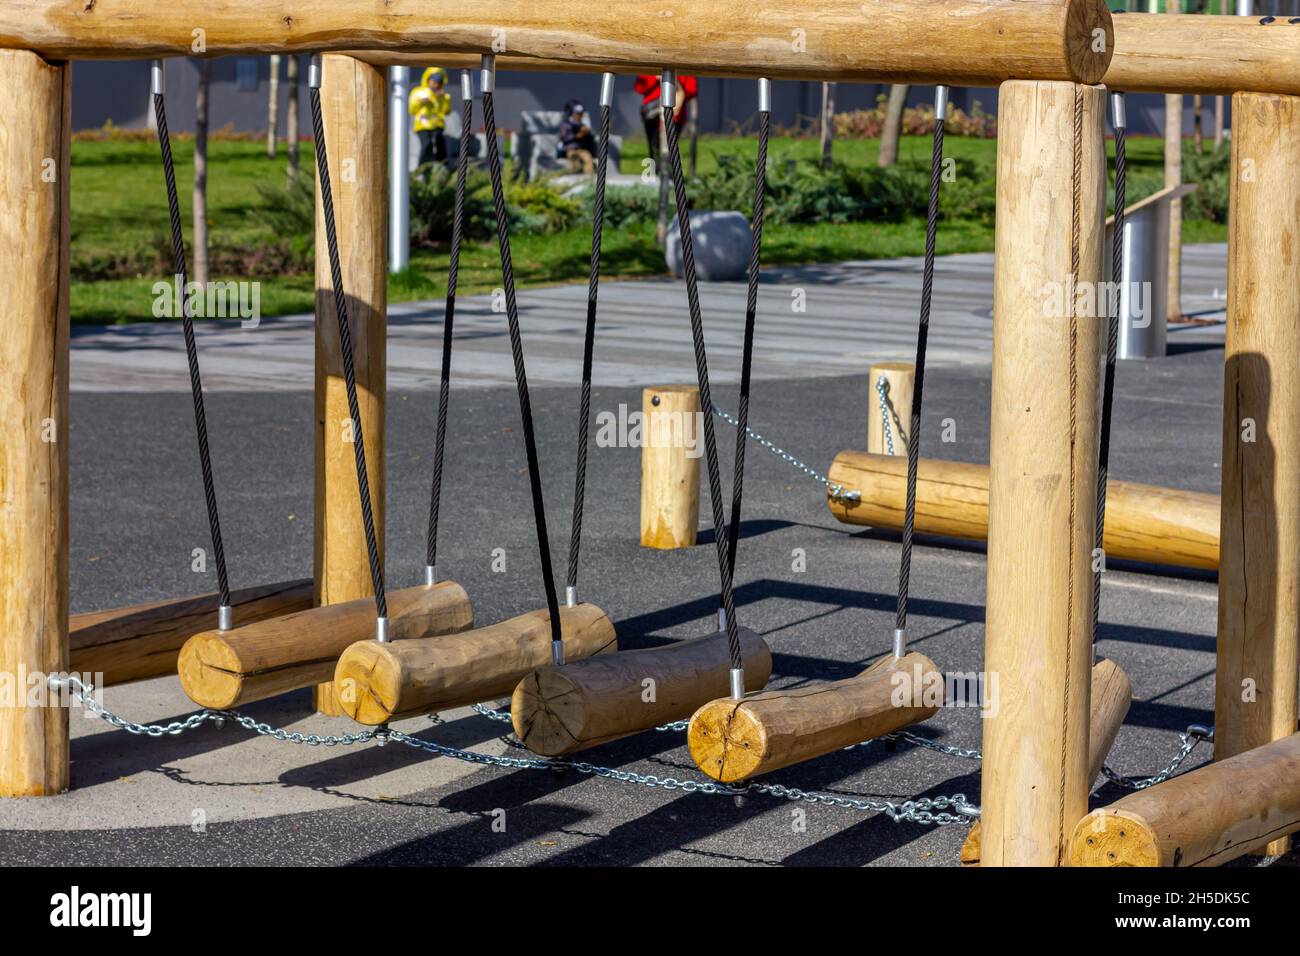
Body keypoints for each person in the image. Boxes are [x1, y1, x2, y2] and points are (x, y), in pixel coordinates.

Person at [634, 74, 698, 159]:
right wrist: (655, 78)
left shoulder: (683, 70)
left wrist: (675, 82)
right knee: (654, 149)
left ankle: (666, 169)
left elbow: (692, 89)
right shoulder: (651, 67)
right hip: (653, 115)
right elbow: (639, 87)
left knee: (670, 151)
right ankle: (657, 169)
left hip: (674, 116)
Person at [409, 66, 451, 167]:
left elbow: (446, 111)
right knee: (426, 144)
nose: (435, 84)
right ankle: (422, 170)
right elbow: (411, 109)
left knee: (440, 144)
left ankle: (443, 167)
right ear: (428, 79)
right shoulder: (418, 91)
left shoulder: (443, 95)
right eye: (433, 80)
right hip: (423, 125)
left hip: (437, 125)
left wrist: (443, 99)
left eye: (438, 82)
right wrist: (421, 103)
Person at [558, 99, 597, 174]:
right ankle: (576, 178)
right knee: (576, 161)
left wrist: (587, 133)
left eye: (580, 114)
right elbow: (564, 137)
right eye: (577, 114)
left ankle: (588, 178)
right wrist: (577, 135)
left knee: (587, 157)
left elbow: (589, 139)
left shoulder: (582, 125)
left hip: (582, 149)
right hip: (571, 149)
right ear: (571, 113)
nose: (579, 116)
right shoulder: (566, 124)